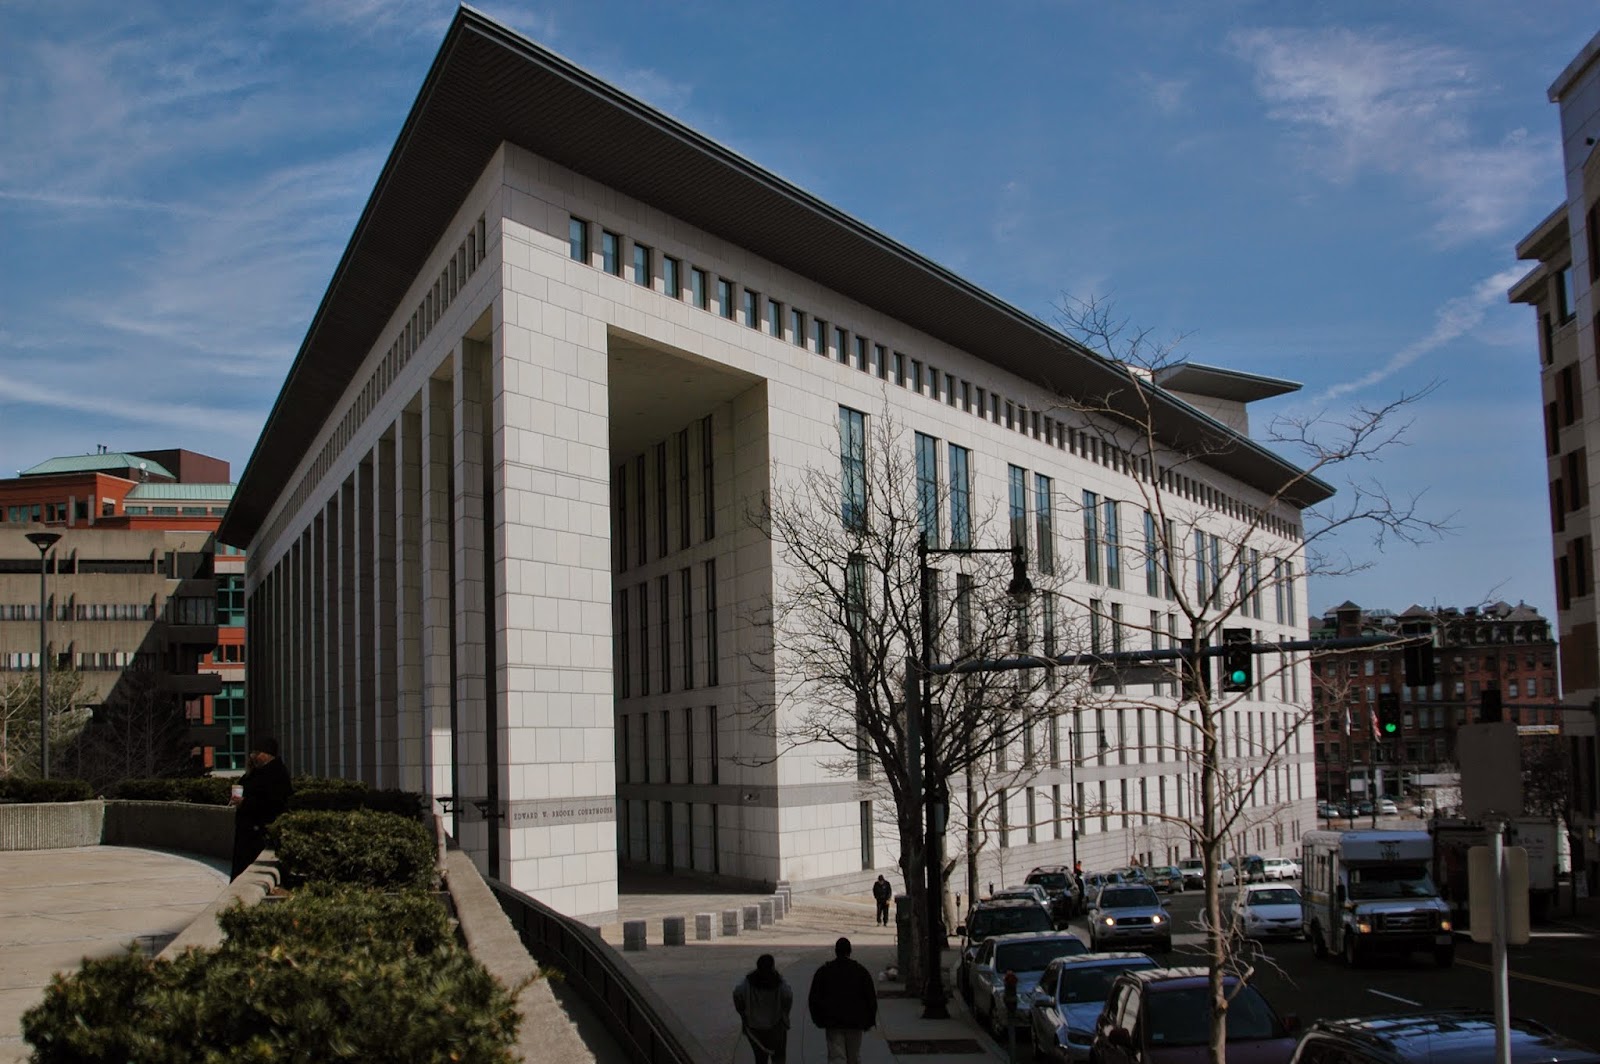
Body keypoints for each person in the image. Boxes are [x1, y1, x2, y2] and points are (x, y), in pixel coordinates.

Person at [229, 736, 293, 879]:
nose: (253, 757)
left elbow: (273, 803)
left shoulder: (276, 774)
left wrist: (245, 803)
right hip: (247, 833)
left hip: (259, 834)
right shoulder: (255, 772)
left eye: (256, 753)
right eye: (252, 753)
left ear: (266, 754)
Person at [808, 936, 876, 1064]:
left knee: (836, 1056)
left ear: (836, 951)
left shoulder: (824, 971)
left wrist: (819, 1020)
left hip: (833, 1022)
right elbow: (870, 997)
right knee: (854, 1056)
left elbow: (814, 998)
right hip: (855, 1022)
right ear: (850, 951)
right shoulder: (860, 972)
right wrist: (869, 1020)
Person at [733, 953, 793, 1064]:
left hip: (755, 1029)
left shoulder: (749, 982)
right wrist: (785, 1015)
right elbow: (788, 995)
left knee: (760, 1059)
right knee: (779, 1057)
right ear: (773, 967)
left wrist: (742, 1012)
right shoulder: (778, 983)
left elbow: (737, 993)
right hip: (775, 1028)